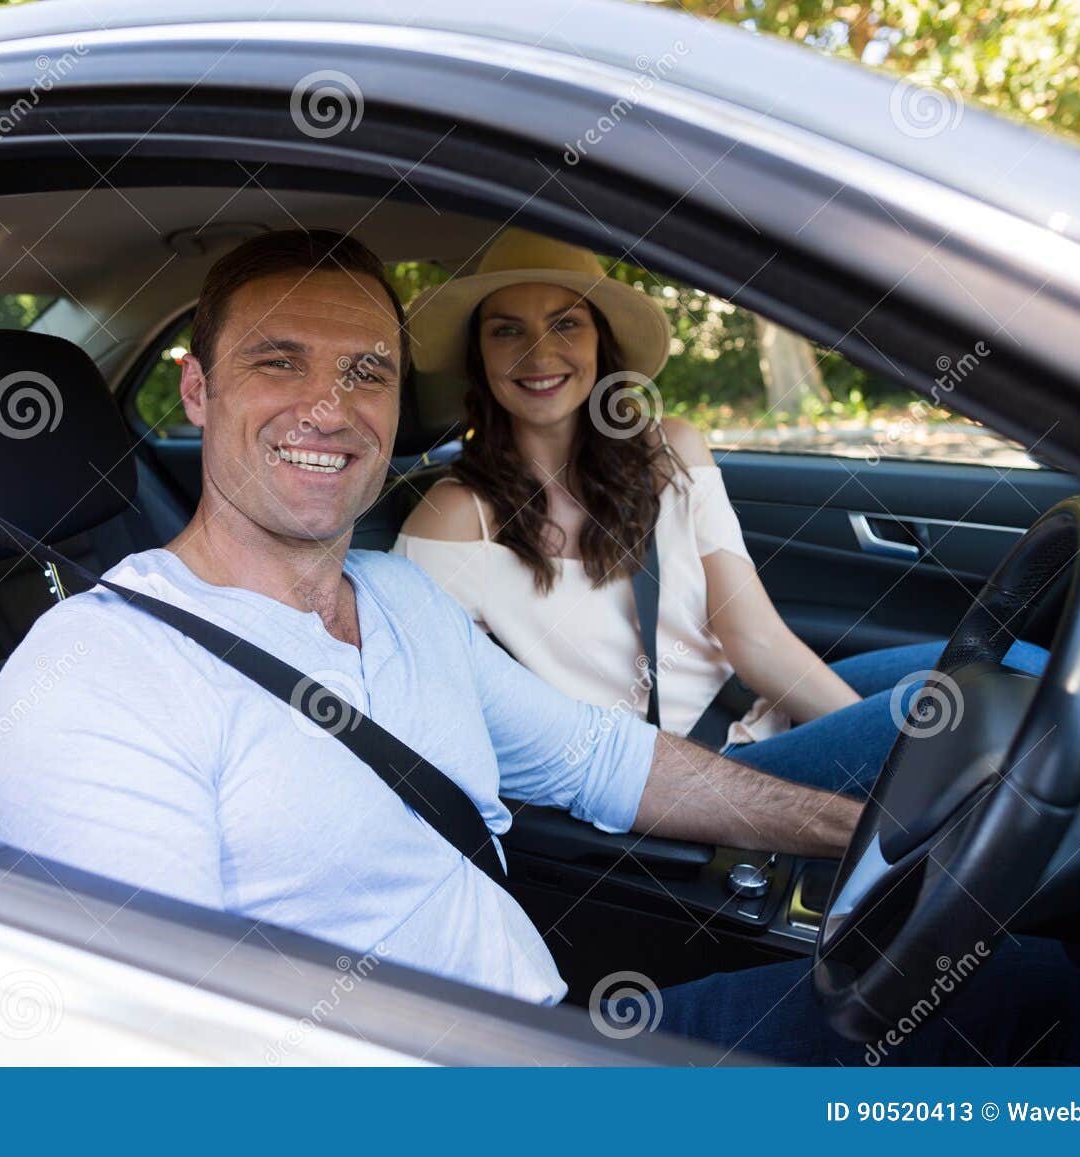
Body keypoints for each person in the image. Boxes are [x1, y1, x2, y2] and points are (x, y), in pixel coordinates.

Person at [0, 228, 1080, 1063]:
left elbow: (604, 760)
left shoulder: (398, 597)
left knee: (1021, 986)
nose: (328, 406)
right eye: (280, 360)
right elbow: (148, 1059)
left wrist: (876, 835)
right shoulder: (92, 676)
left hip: (560, 1024)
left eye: (366, 369)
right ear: (195, 389)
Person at [396, 228, 1047, 796]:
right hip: (680, 779)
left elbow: (753, 636)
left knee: (1011, 670)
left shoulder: (668, 448)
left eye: (566, 321)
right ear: (479, 357)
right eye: (506, 329)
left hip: (752, 713)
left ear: (601, 342)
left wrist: (872, 744)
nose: (538, 353)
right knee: (978, 723)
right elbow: (438, 721)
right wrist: (888, 754)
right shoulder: (453, 518)